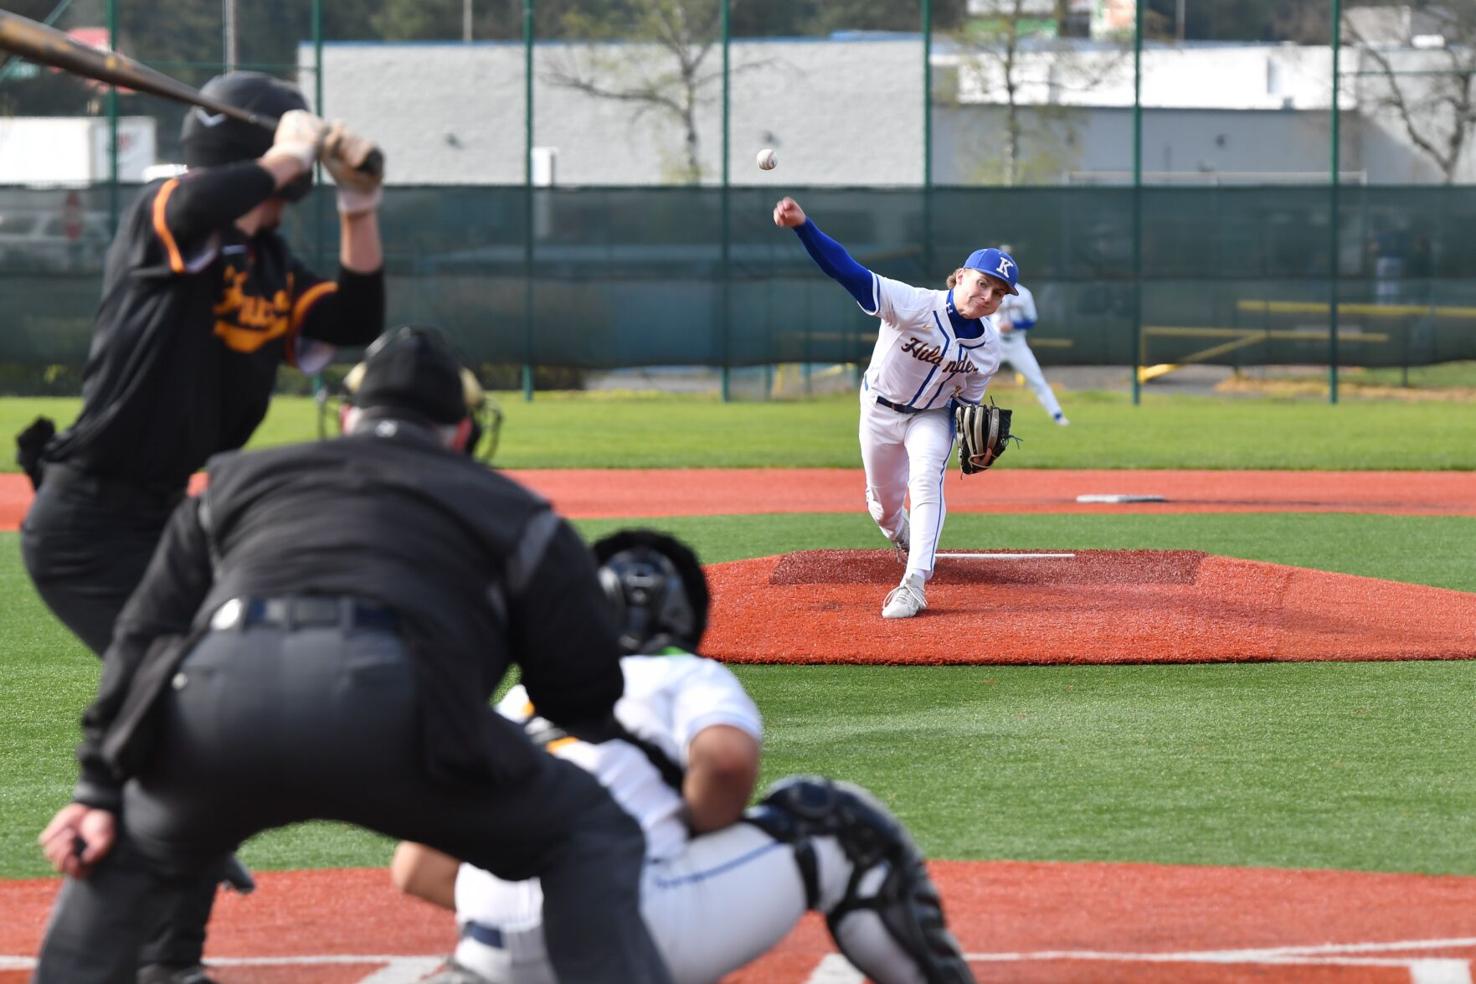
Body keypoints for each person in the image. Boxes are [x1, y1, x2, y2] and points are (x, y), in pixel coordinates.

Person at [31, 327, 673, 984]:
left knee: (118, 851)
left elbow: (144, 635)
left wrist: (99, 790)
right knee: (591, 833)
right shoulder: (516, 510)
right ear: (462, 432)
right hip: (404, 709)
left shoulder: (236, 480)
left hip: (223, 708)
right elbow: (578, 687)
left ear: (346, 417)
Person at [16, 72, 387, 984]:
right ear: (255, 158)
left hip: (168, 522)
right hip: (86, 523)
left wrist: (360, 202)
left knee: (201, 733)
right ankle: (147, 929)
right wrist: (293, 148)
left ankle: (170, 941)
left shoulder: (266, 266)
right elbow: (212, 199)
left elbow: (354, 317)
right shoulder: (167, 214)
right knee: (183, 729)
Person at [392, 529, 976, 984]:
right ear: (684, 618)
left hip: (491, 953)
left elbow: (416, 869)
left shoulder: (522, 697)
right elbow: (725, 763)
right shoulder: (689, 674)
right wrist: (687, 833)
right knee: (836, 822)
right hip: (630, 935)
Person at [772, 196, 1010, 620]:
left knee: (926, 478)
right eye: (982, 283)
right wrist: (803, 226)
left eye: (998, 292)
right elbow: (846, 270)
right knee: (883, 506)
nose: (987, 295)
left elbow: (967, 405)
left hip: (931, 417)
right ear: (959, 276)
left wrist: (974, 440)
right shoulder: (913, 303)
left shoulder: (989, 348)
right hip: (879, 410)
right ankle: (898, 531)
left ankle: (914, 581)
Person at [992, 246, 1068, 426]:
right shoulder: (990, 291)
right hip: (994, 342)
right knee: (972, 379)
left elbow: (1032, 320)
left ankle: (1058, 416)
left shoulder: (1024, 294)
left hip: (1017, 344)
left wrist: (1014, 325)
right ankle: (957, 417)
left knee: (1037, 380)